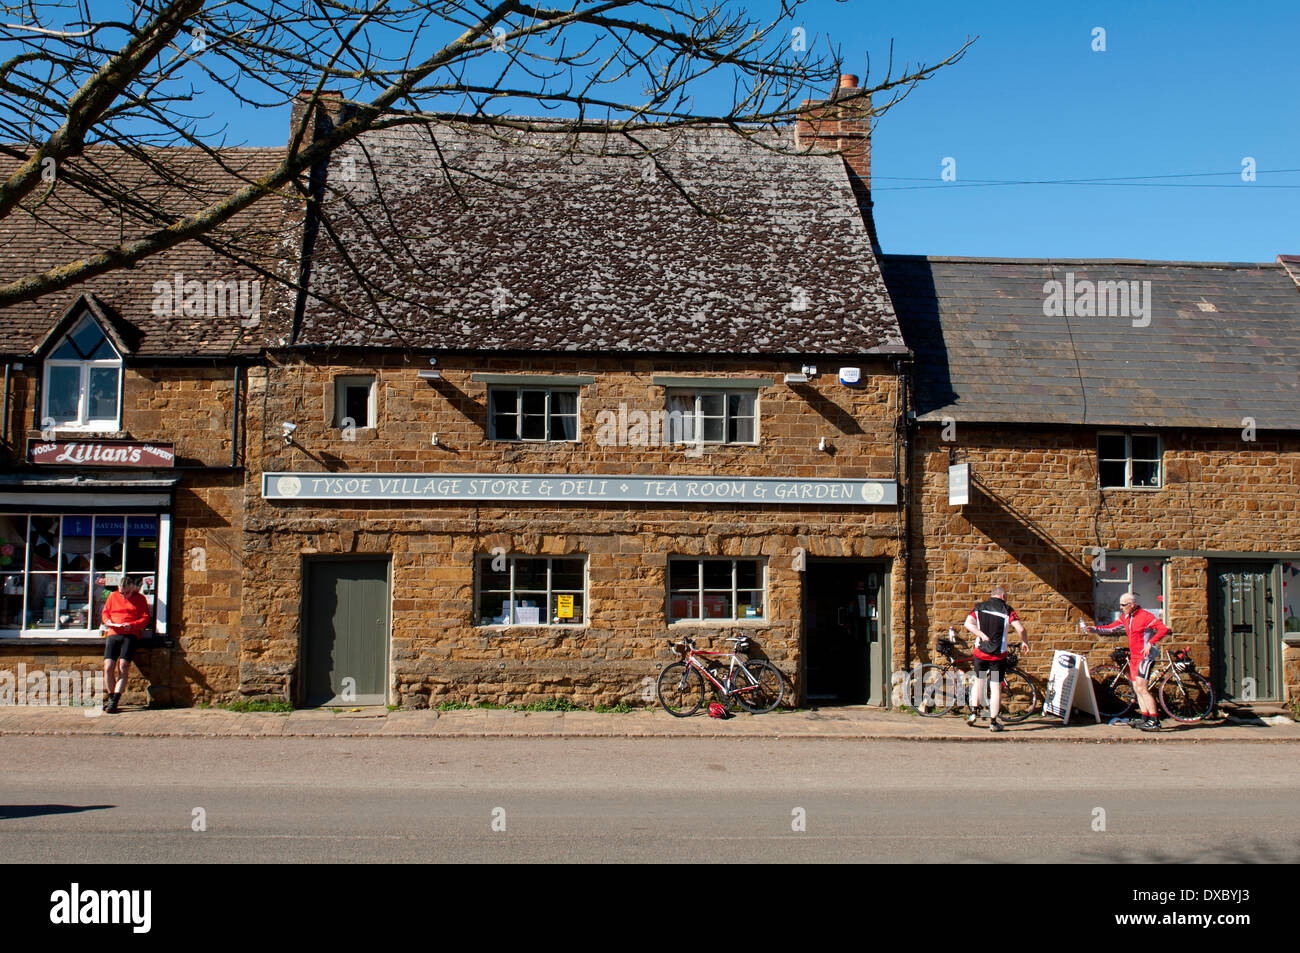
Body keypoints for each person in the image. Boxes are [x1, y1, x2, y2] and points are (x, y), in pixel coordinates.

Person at [1086, 593, 1169, 731]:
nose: (1121, 607)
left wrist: (1151, 643)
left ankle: (1155, 720)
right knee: (1137, 689)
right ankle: (1145, 718)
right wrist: (1093, 629)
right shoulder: (1126, 617)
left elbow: (1163, 629)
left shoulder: (1146, 616)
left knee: (1143, 688)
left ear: (1132, 604)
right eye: (1120, 605)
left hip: (1145, 657)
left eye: (1124, 605)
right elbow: (1111, 628)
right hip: (1134, 657)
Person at [963, 586, 1029, 732]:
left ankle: (973, 713)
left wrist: (981, 635)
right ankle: (993, 722)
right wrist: (1025, 642)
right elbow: (1021, 629)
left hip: (980, 653)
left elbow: (968, 624)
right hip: (997, 656)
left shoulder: (979, 607)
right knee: (995, 688)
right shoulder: (1007, 610)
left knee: (979, 682)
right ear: (1003, 596)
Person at [100, 575, 151, 713]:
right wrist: (108, 622)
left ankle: (115, 701)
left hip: (130, 634)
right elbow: (105, 614)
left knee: (123, 666)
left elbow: (145, 618)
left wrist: (133, 625)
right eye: (121, 593)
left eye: (126, 593)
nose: (123, 596)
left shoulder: (140, 599)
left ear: (132, 588)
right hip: (114, 633)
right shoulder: (113, 596)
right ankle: (112, 698)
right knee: (108, 667)